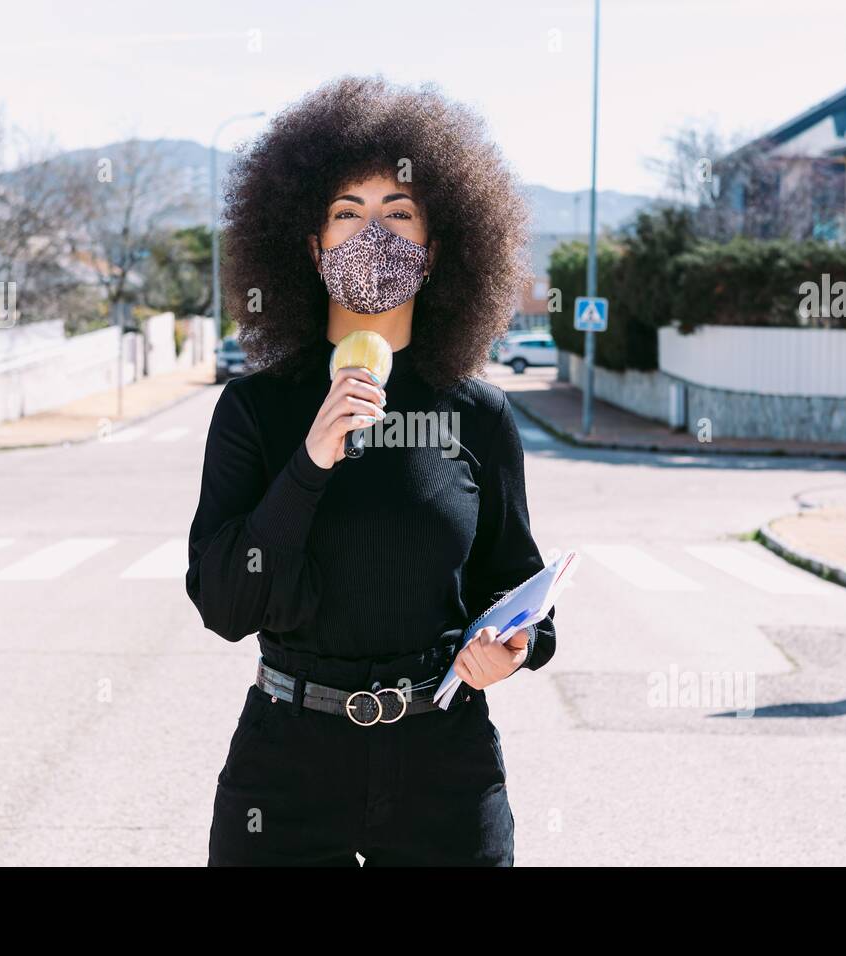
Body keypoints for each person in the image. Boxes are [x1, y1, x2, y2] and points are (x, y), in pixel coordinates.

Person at [186, 74, 556, 866]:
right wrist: (311, 461)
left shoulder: (477, 415)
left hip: (444, 768)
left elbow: (521, 587)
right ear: (311, 246)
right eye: (347, 214)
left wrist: (515, 644)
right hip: (286, 767)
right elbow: (223, 602)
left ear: (436, 249)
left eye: (399, 215)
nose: (372, 235)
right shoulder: (257, 410)